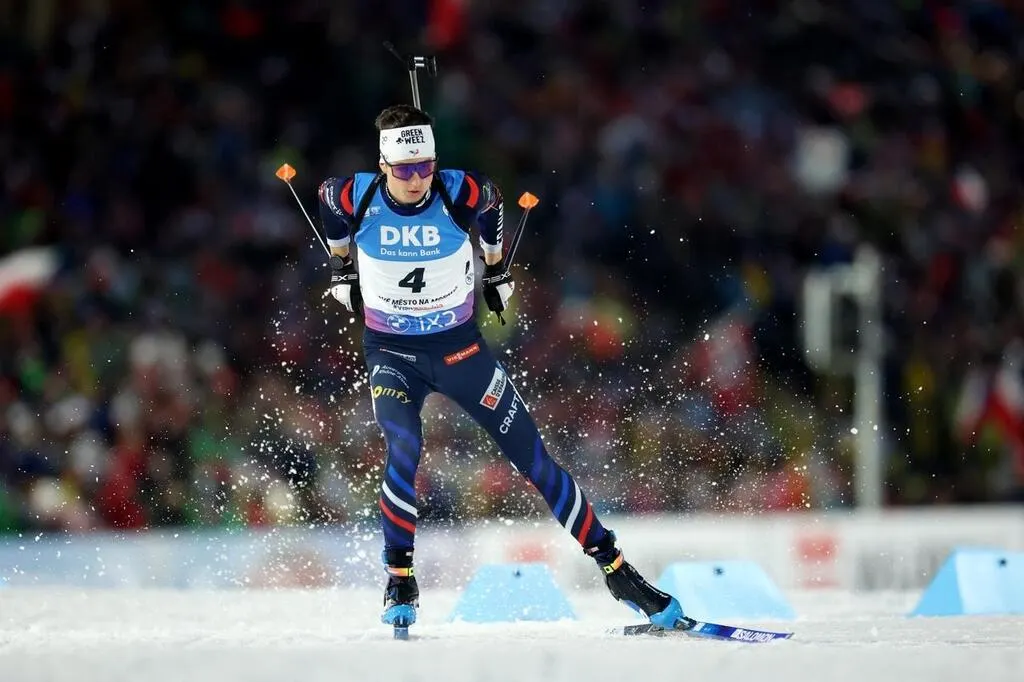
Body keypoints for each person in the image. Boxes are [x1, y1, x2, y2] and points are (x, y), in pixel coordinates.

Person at [317, 104, 684, 631]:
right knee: (404, 447)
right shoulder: (357, 195)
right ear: (383, 166)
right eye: (404, 170)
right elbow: (328, 199)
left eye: (425, 166)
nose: (417, 179)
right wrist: (340, 264)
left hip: (460, 351)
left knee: (533, 460)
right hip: (393, 354)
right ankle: (400, 576)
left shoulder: (457, 190)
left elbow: (490, 200)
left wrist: (493, 269)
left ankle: (617, 570)